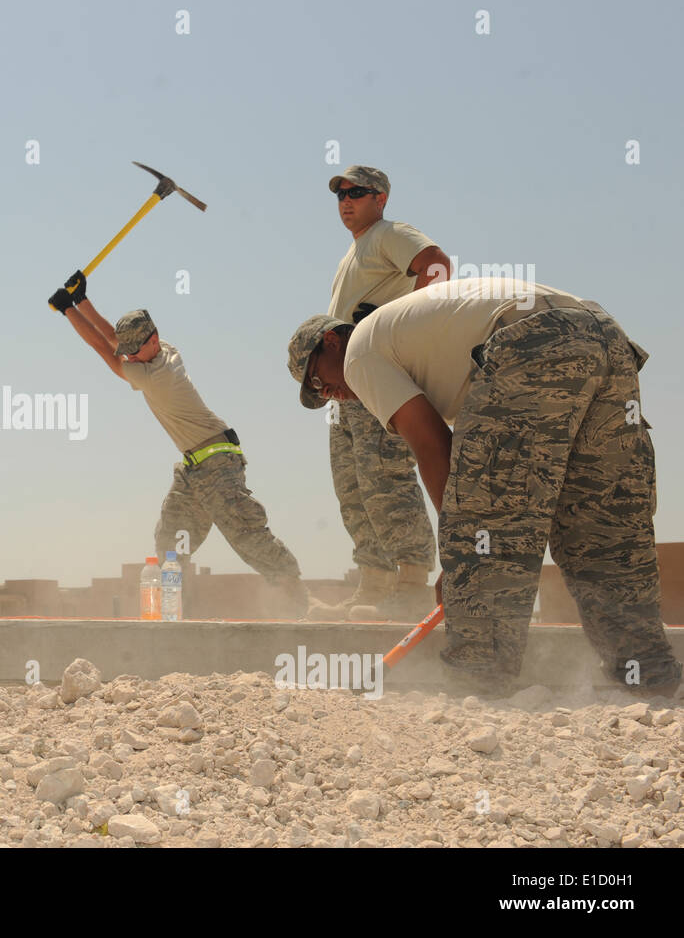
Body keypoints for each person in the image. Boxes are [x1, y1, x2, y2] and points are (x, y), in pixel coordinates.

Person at [287, 277, 681, 693]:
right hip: (604, 337)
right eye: (321, 397)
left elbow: (433, 445)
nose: (331, 395)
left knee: (489, 527)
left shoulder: (360, 355)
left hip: (531, 343)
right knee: (603, 528)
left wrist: (460, 556)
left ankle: (481, 682)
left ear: (331, 341)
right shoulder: (403, 334)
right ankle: (647, 674)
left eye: (317, 381)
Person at [51, 273, 315, 617]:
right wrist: (82, 299)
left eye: (136, 350)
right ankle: (173, 610)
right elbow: (117, 341)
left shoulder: (158, 377)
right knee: (171, 539)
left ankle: (294, 593)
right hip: (195, 464)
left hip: (218, 461)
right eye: (129, 351)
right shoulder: (164, 352)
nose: (130, 356)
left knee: (244, 532)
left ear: (153, 339)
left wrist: (67, 311)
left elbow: (105, 348)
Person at [314, 165, 452, 622]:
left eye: (357, 192)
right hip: (347, 385)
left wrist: (405, 325)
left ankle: (411, 585)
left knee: (385, 478)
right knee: (353, 486)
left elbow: (436, 265)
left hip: (376, 376)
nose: (346, 200)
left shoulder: (389, 233)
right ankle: (372, 586)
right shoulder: (352, 252)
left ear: (382, 199)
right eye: (340, 194)